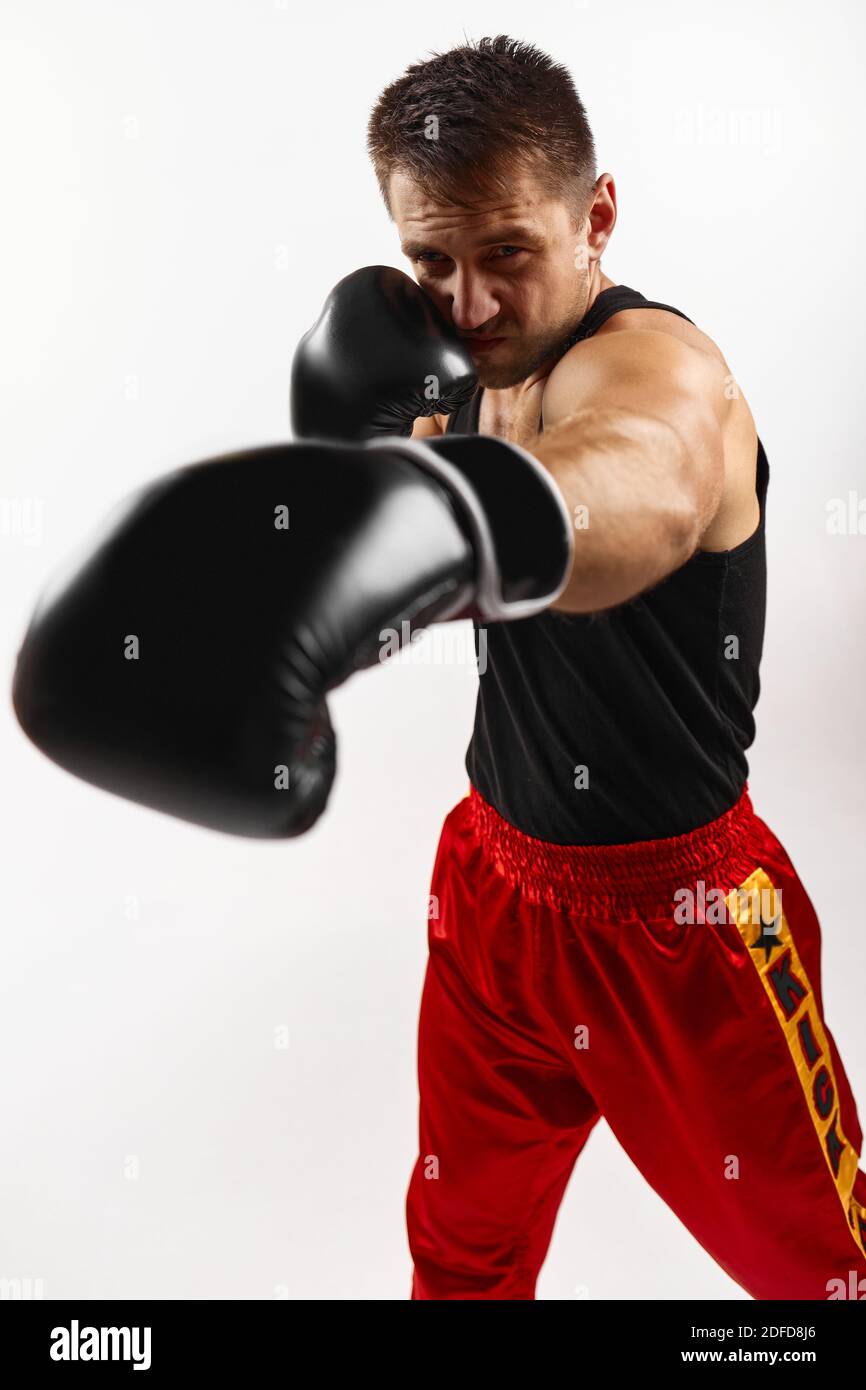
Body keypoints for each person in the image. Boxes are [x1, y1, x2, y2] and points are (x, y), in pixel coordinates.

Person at [12, 34, 866, 1302]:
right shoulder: (450, 371)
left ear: (598, 217)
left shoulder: (664, 372)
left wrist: (438, 517)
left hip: (680, 928)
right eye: (430, 261)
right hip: (488, 895)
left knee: (829, 1276)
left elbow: (641, 473)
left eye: (507, 254)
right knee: (461, 1259)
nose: (466, 304)